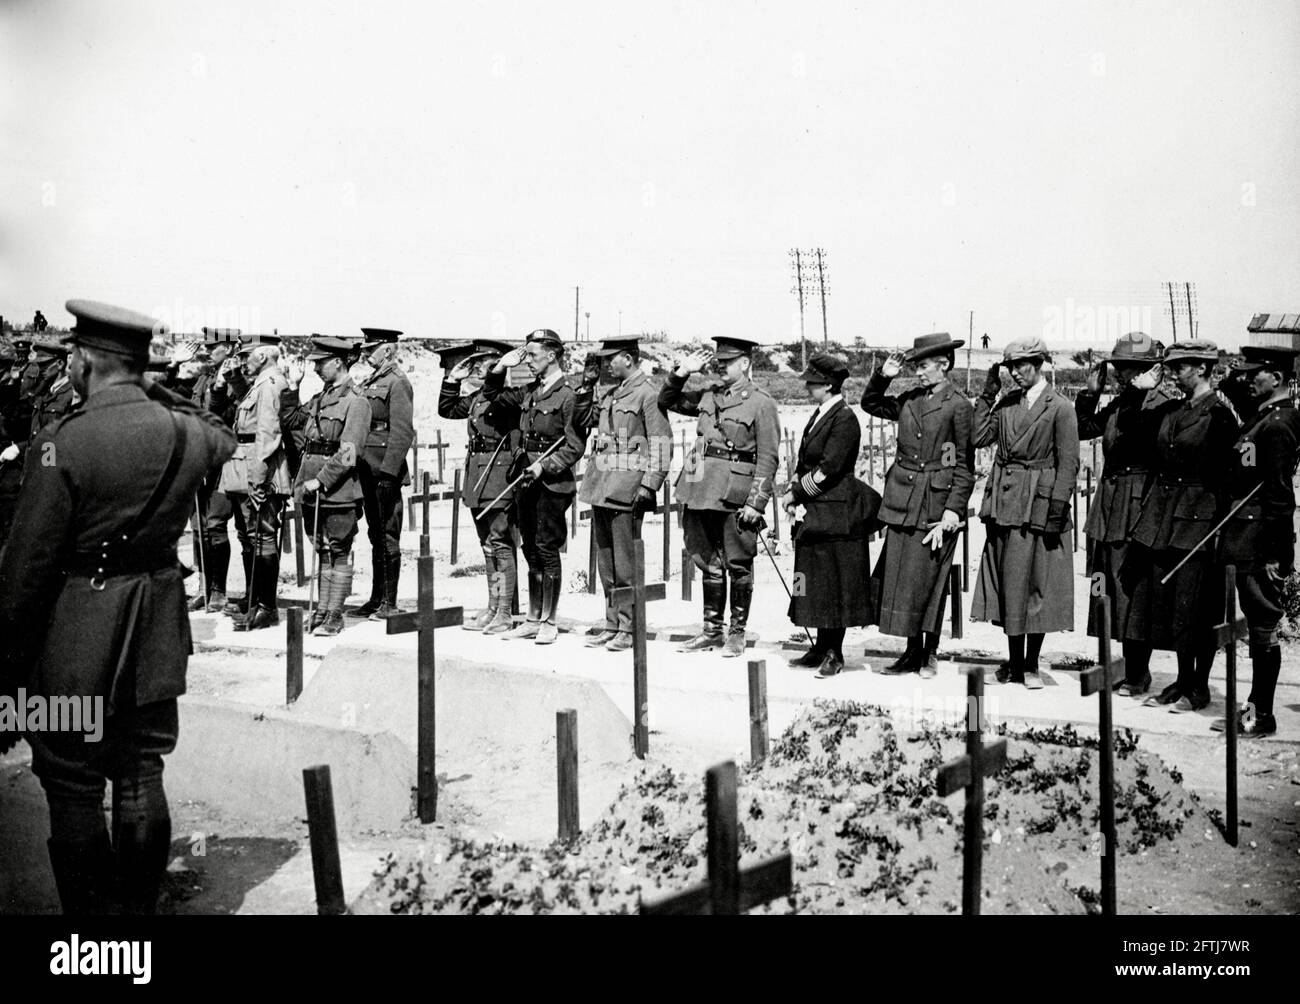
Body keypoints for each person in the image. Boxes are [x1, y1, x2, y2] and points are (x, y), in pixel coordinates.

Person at [0, 300, 236, 914]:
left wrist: (7, 661)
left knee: (73, 782)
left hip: (75, 636)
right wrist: (156, 389)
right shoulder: (190, 434)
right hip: (156, 629)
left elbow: (25, 570)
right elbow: (223, 431)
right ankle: (134, 921)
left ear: (80, 362)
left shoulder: (60, 443)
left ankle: (92, 936)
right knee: (140, 772)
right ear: (142, 365)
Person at [1126, 340, 1239, 713]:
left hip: (1197, 518)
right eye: (1172, 367)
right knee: (1173, 606)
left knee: (1197, 606)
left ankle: (1199, 687)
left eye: (1182, 367)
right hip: (1163, 516)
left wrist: (1219, 527)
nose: (1174, 373)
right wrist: (1138, 395)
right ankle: (1181, 679)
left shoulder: (1220, 415)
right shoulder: (1172, 410)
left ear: (1203, 369)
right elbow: (1140, 441)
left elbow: (1227, 478)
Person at [860, 332, 975, 678]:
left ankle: (930, 653)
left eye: (923, 366)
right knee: (903, 578)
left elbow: (963, 465)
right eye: (916, 367)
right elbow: (870, 403)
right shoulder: (909, 399)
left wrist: (954, 510)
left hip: (936, 505)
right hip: (903, 500)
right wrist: (884, 376)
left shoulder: (959, 406)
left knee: (931, 579)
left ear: (944, 365)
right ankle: (911, 651)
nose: (918, 373)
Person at [659, 335, 780, 657]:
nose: (719, 367)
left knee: (738, 563)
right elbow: (668, 400)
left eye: (726, 363)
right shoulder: (709, 396)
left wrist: (757, 502)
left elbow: (768, 457)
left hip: (734, 493)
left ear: (745, 363)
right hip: (699, 488)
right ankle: (712, 630)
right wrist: (682, 372)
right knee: (707, 562)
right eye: (718, 362)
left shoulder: (761, 402)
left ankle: (737, 633)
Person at [971, 337, 1079, 688]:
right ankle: (1014, 663)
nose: (1016, 373)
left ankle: (1031, 664)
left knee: (1037, 585)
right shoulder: (1006, 405)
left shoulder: (1060, 407)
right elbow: (978, 437)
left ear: (1040, 363)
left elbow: (1069, 463)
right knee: (1012, 584)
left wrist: (1057, 509)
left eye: (1022, 365)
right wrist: (987, 394)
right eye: (1011, 367)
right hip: (1006, 505)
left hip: (1040, 503)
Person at [1075, 332, 1176, 697]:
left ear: (1150, 369)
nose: (1122, 376)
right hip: (1111, 503)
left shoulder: (1163, 407)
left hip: (1139, 504)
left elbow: (1152, 445)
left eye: (1130, 369)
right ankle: (1117, 665)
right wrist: (1090, 393)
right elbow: (1085, 428)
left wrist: (1145, 391)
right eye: (1119, 370)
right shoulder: (1122, 403)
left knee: (1133, 590)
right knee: (1109, 586)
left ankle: (1138, 672)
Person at [1208, 346, 1300, 737]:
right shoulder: (1264, 417)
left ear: (1276, 378)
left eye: (1255, 373)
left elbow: (1281, 497)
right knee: (1257, 626)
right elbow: (1237, 387)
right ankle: (1254, 707)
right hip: (1246, 535)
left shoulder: (1277, 425)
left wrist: (1278, 555)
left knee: (1262, 628)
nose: (1247, 379)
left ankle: (1262, 715)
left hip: (1259, 540)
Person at [480, 329, 593, 644]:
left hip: (552, 485)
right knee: (529, 548)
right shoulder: (529, 391)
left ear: (552, 355)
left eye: (532, 355)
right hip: (524, 482)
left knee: (546, 548)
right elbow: (492, 396)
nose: (527, 361)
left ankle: (549, 620)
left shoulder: (569, 394)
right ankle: (532, 618)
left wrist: (545, 465)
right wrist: (501, 367)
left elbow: (574, 446)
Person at [779, 353, 877, 677]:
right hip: (818, 510)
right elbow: (805, 460)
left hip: (837, 511)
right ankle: (820, 646)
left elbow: (830, 469)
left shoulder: (845, 418)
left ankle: (834, 652)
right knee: (817, 580)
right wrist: (794, 486)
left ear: (828, 384)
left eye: (813, 381)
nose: (808, 386)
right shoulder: (821, 413)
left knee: (836, 582)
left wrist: (797, 492)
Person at [579, 334, 673, 652]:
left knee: (625, 560)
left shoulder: (648, 394)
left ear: (629, 359)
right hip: (602, 484)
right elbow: (587, 420)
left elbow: (661, 442)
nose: (606, 364)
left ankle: (629, 625)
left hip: (628, 487)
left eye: (611, 359)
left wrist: (649, 485)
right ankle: (612, 621)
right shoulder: (611, 393)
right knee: (606, 559)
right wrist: (586, 384)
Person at [281, 337, 373, 635]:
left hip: (337, 488)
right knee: (321, 549)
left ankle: (335, 614)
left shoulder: (356, 401)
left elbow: (349, 452)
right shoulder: (321, 398)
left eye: (321, 363)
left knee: (338, 549)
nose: (317, 368)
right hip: (310, 487)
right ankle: (321, 610)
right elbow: (291, 419)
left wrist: (321, 480)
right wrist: (294, 387)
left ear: (338, 362)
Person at [438, 339, 524, 633]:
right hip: (478, 474)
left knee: (500, 543)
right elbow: (447, 409)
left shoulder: (508, 398)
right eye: (477, 365)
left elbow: (514, 435)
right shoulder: (476, 398)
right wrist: (451, 379)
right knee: (488, 545)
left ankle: (505, 611)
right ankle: (494, 604)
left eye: (485, 366)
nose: (478, 371)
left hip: (498, 474)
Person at [217, 334, 292, 631]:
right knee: (252, 536)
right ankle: (255, 602)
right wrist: (234, 378)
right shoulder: (262, 383)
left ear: (262, 357)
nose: (244, 359)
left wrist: (258, 481)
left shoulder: (271, 384)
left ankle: (266, 608)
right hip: (247, 464)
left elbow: (268, 434)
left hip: (259, 468)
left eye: (247, 355)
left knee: (262, 536)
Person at [354, 328, 415, 619]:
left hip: (383, 472)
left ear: (388, 351)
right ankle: (376, 598)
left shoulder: (397, 381)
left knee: (388, 536)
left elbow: (402, 432)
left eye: (371, 350)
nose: (365, 354)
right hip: (367, 468)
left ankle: (390, 603)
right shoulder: (372, 380)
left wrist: (389, 474)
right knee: (375, 535)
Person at [187, 328, 245, 612]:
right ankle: (203, 586)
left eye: (214, 348)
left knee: (215, 524)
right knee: (198, 526)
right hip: (198, 460)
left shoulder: (236, 379)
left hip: (223, 462)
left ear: (229, 349)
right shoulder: (204, 377)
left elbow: (223, 417)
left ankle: (219, 590)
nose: (209, 352)